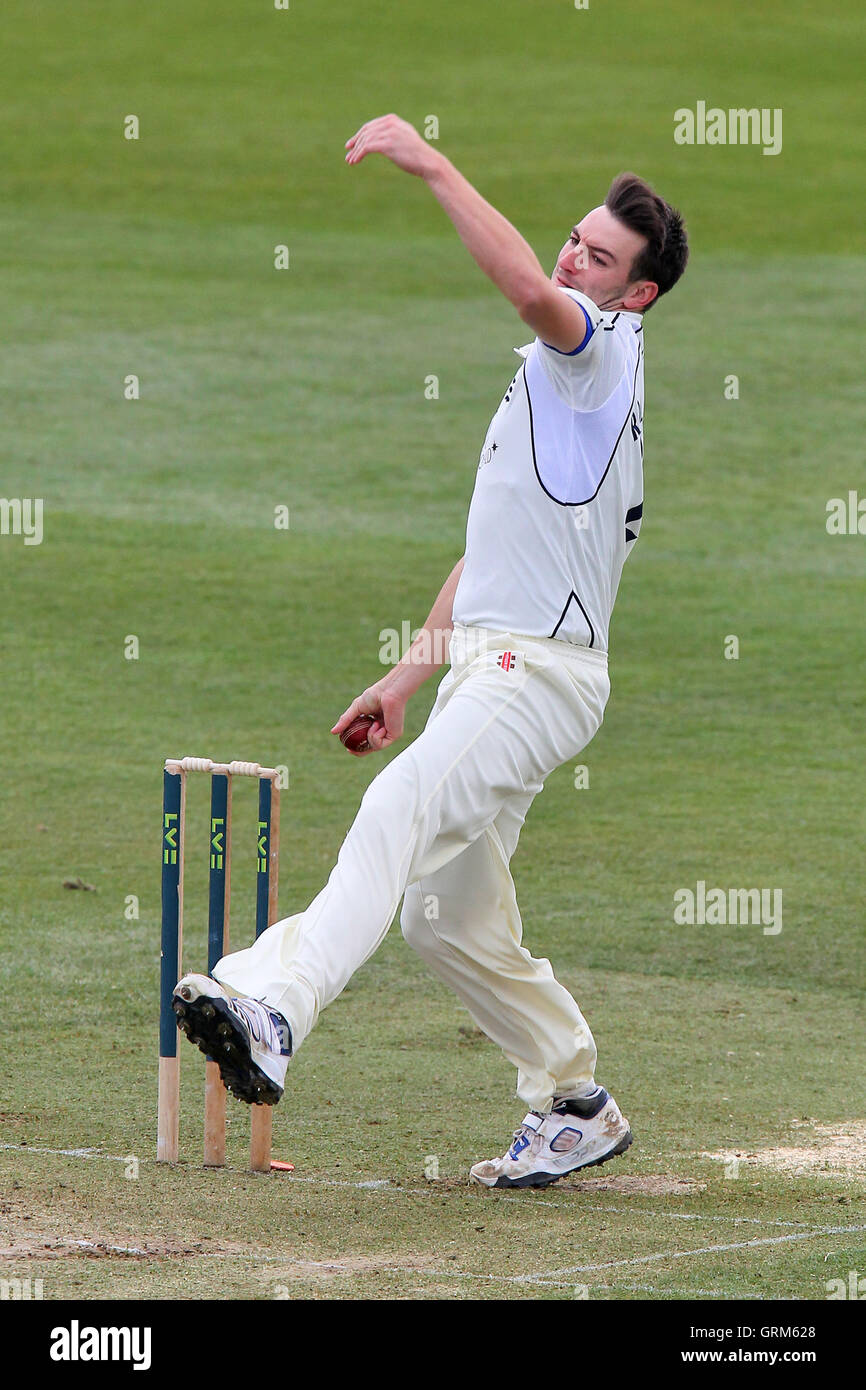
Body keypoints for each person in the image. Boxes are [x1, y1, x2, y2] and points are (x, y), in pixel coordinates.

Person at [173, 115, 689, 1188]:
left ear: (634, 293)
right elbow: (489, 553)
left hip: (532, 672)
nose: (570, 258)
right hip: (502, 664)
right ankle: (570, 1098)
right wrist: (409, 676)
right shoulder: (559, 385)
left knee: (394, 812)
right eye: (574, 237)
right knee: (440, 914)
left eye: (598, 256)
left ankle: (271, 1002)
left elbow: (523, 289)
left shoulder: (596, 355)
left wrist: (433, 163)